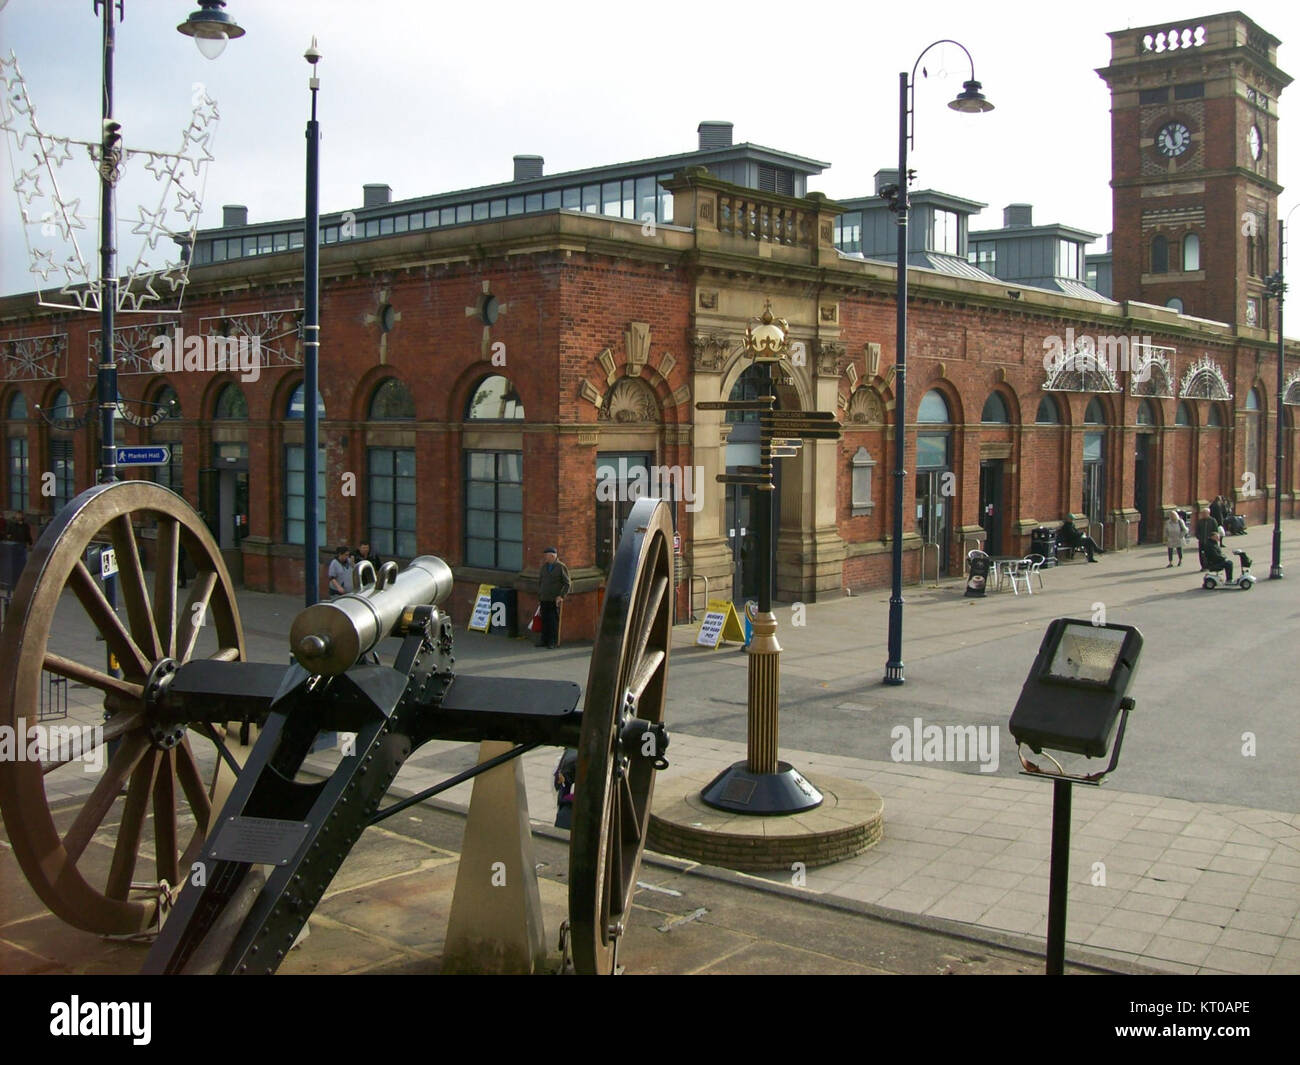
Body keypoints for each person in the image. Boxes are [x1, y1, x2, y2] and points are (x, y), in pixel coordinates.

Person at [537, 545, 571, 649]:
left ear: (552, 556)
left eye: (546, 556)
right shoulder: (544, 567)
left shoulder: (561, 567)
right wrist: (540, 595)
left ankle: (552, 641)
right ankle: (544, 640)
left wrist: (561, 596)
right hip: (544, 598)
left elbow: (568, 583)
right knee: (544, 620)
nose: (545, 558)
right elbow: (540, 582)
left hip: (554, 599)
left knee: (552, 621)